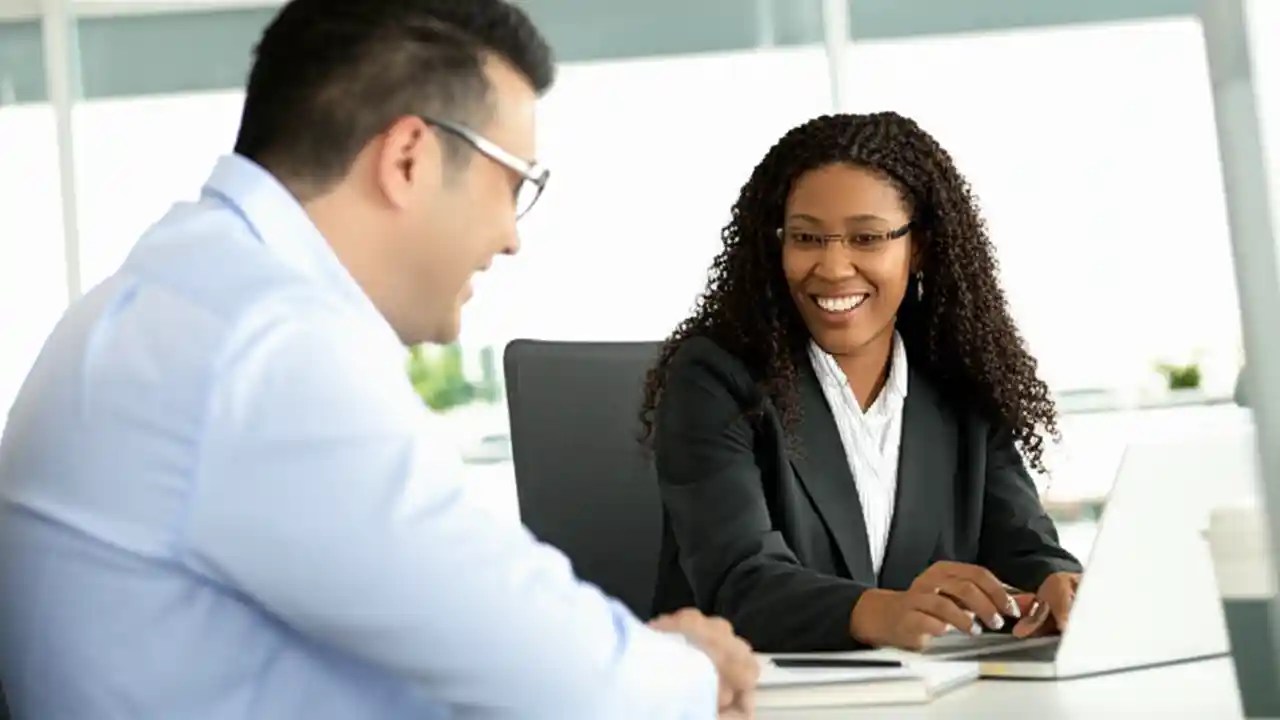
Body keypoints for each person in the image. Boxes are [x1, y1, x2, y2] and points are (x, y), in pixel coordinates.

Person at [0, 1, 758, 718]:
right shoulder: (263, 348)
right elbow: (573, 684)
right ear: (407, 158)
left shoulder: (174, 301)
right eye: (516, 184)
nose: (512, 236)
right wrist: (686, 667)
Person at [641, 111, 1084, 653]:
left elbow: (1021, 543)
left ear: (917, 246)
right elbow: (738, 581)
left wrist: (1056, 586)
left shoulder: (956, 378)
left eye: (866, 238)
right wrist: (886, 612)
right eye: (806, 237)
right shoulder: (715, 379)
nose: (832, 267)